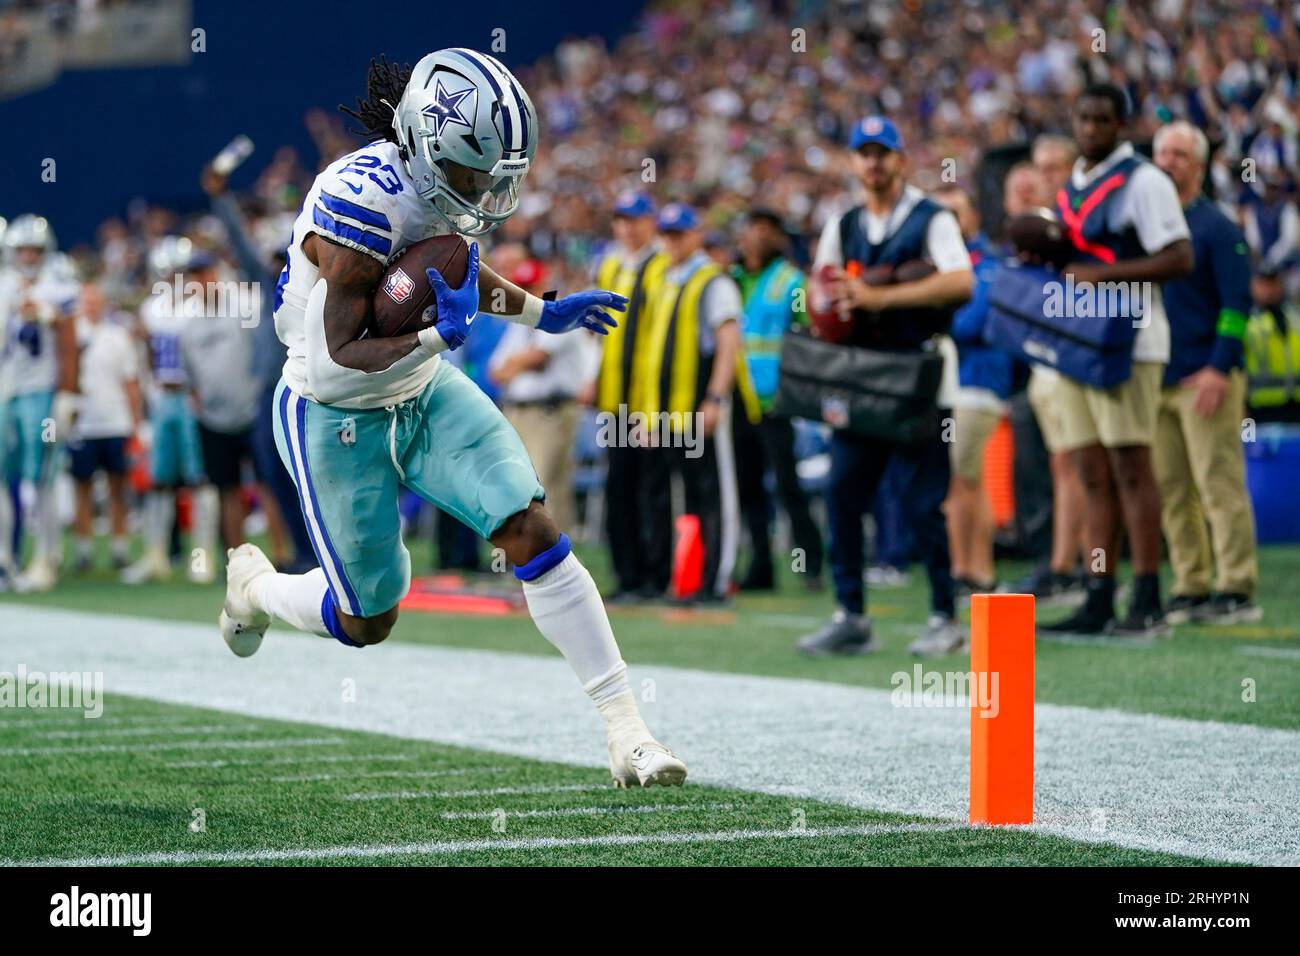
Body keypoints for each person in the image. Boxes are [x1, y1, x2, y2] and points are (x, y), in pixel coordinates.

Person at [219, 50, 686, 789]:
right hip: (332, 411)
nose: (489, 189)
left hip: (424, 387)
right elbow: (341, 354)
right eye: (477, 174)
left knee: (529, 527)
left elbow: (451, 273)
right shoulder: (358, 208)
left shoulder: (434, 182)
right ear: (430, 147)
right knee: (366, 619)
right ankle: (257, 587)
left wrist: (542, 313)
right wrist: (441, 334)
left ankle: (628, 731)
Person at [796, 116, 973, 657]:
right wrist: (832, 305)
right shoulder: (843, 222)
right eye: (864, 153)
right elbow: (818, 283)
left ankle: (944, 615)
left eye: (882, 152)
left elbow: (962, 279)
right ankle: (851, 613)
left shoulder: (932, 216)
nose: (873, 162)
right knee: (845, 493)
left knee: (924, 503)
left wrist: (879, 297)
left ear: (900, 159)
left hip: (917, 373)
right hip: (860, 375)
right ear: (853, 161)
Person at [1039, 84, 1194, 638]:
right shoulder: (1071, 185)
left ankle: (1148, 595)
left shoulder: (1146, 181)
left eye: (1103, 120)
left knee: (1131, 468)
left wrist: (1100, 275)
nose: (1091, 129)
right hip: (1075, 341)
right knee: (1090, 473)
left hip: (1131, 341)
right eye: (1083, 119)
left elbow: (1180, 257)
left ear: (1121, 125)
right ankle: (1099, 593)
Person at [1152, 121, 1260, 625]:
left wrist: (1220, 367)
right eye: (1163, 153)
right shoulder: (1149, 228)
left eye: (1179, 153)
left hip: (1205, 377)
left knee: (1218, 483)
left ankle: (1236, 586)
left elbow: (1238, 303)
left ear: (1198, 164)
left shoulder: (1216, 227)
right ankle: (1191, 584)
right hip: (1159, 379)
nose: (1169, 162)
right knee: (1173, 489)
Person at [631, 203, 748, 604]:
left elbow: (729, 342)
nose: (671, 242)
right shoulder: (664, 277)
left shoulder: (712, 281)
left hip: (698, 406)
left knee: (710, 494)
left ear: (696, 235)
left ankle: (716, 580)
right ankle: (680, 578)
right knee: (669, 495)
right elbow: (652, 350)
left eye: (678, 234)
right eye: (666, 234)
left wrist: (715, 397)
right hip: (665, 413)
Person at [732, 206, 823, 591]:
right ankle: (761, 567)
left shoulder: (792, 282)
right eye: (754, 226)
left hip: (775, 400)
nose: (759, 235)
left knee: (787, 484)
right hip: (738, 397)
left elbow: (806, 334)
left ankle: (812, 565)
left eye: (768, 229)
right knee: (746, 486)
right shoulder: (731, 279)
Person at [121, 238, 219, 586]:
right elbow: (147, 357)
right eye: (171, 272)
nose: (176, 278)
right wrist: (148, 403)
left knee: (200, 478)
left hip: (193, 396)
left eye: (181, 272)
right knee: (160, 480)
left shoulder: (205, 306)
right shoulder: (152, 308)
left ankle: (200, 557)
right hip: (164, 397)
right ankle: (155, 555)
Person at [1019, 136, 1090, 603]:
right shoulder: (1044, 227)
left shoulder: (1075, 223)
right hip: (1045, 359)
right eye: (1040, 168)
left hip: (1073, 357)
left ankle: (1077, 566)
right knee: (1064, 464)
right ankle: (1070, 564)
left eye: (1054, 167)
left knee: (1079, 464)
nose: (1045, 176)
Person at [590, 191, 668, 602]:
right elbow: (604, 335)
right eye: (621, 219)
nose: (627, 228)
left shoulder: (663, 267)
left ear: (650, 222)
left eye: (635, 219)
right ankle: (628, 576)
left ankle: (657, 575)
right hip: (614, 401)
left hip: (648, 403)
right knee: (619, 488)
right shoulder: (611, 265)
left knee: (650, 491)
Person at [932, 184, 1010, 596]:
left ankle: (967, 570)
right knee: (968, 479)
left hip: (978, 383)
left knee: (960, 476)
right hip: (951, 384)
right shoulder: (944, 265)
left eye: (956, 213)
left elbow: (968, 323)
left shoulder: (987, 265)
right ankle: (978, 571)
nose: (949, 223)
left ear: (973, 218)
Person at [0, 214, 80, 592]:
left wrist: (66, 393)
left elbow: (68, 343)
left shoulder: (58, 286)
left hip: (41, 392)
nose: (28, 256)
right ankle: (4, 559)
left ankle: (46, 557)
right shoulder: (3, 287)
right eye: (22, 249)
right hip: (7, 390)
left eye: (34, 249)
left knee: (43, 479)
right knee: (3, 477)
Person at [489, 256, 590, 532]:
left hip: (550, 412)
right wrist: (518, 364)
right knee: (518, 485)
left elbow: (539, 357)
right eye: (521, 287)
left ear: (544, 283)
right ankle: (528, 555)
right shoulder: (520, 320)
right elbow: (495, 370)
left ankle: (558, 559)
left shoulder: (558, 311)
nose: (526, 293)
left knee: (546, 486)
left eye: (531, 286)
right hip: (518, 410)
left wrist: (516, 364)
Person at [69, 284, 142, 572]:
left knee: (117, 488)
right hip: (83, 424)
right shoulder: (71, 334)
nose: (90, 306)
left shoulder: (118, 336)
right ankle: (84, 550)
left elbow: (131, 382)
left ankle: (119, 549)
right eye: (86, 301)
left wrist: (136, 425)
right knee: (82, 488)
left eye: (95, 301)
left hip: (115, 421)